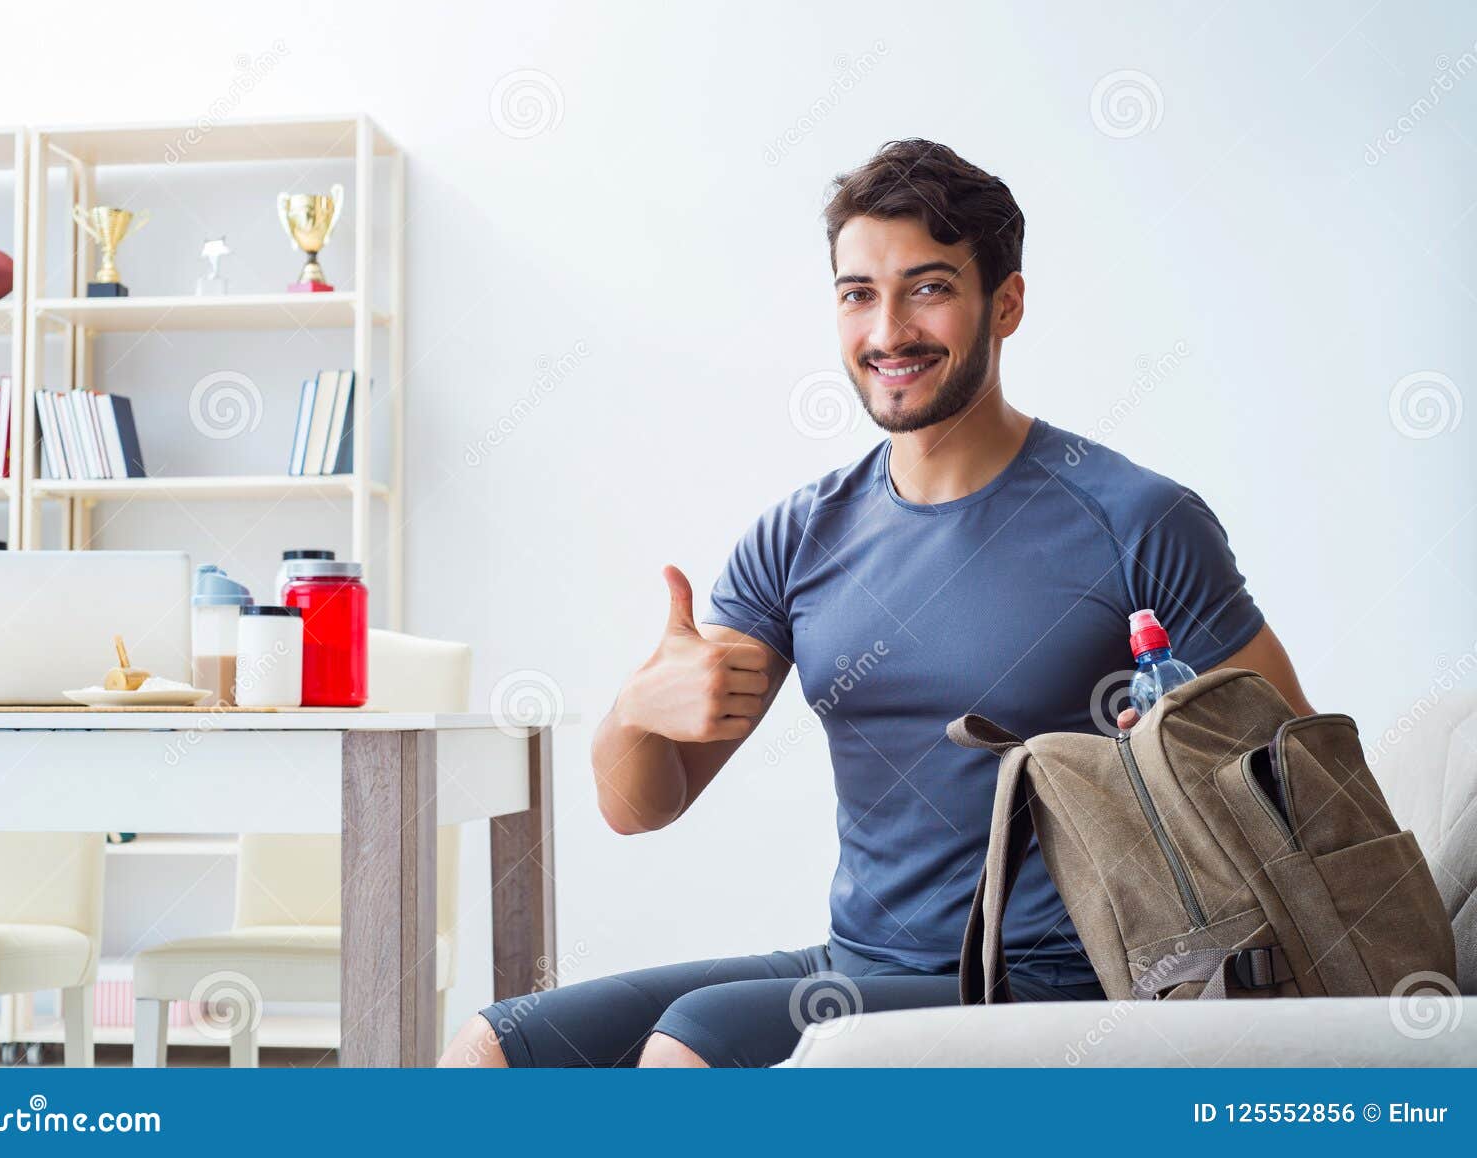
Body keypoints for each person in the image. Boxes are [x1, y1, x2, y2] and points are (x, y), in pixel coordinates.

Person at [440, 138, 1312, 1069]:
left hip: (1062, 982)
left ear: (1006, 304)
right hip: (861, 964)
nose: (888, 331)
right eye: (859, 294)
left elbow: (1310, 784)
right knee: (495, 1048)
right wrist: (636, 712)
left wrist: (1184, 754)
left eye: (928, 288)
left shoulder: (1137, 520)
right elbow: (639, 809)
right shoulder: (801, 537)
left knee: (692, 1046)